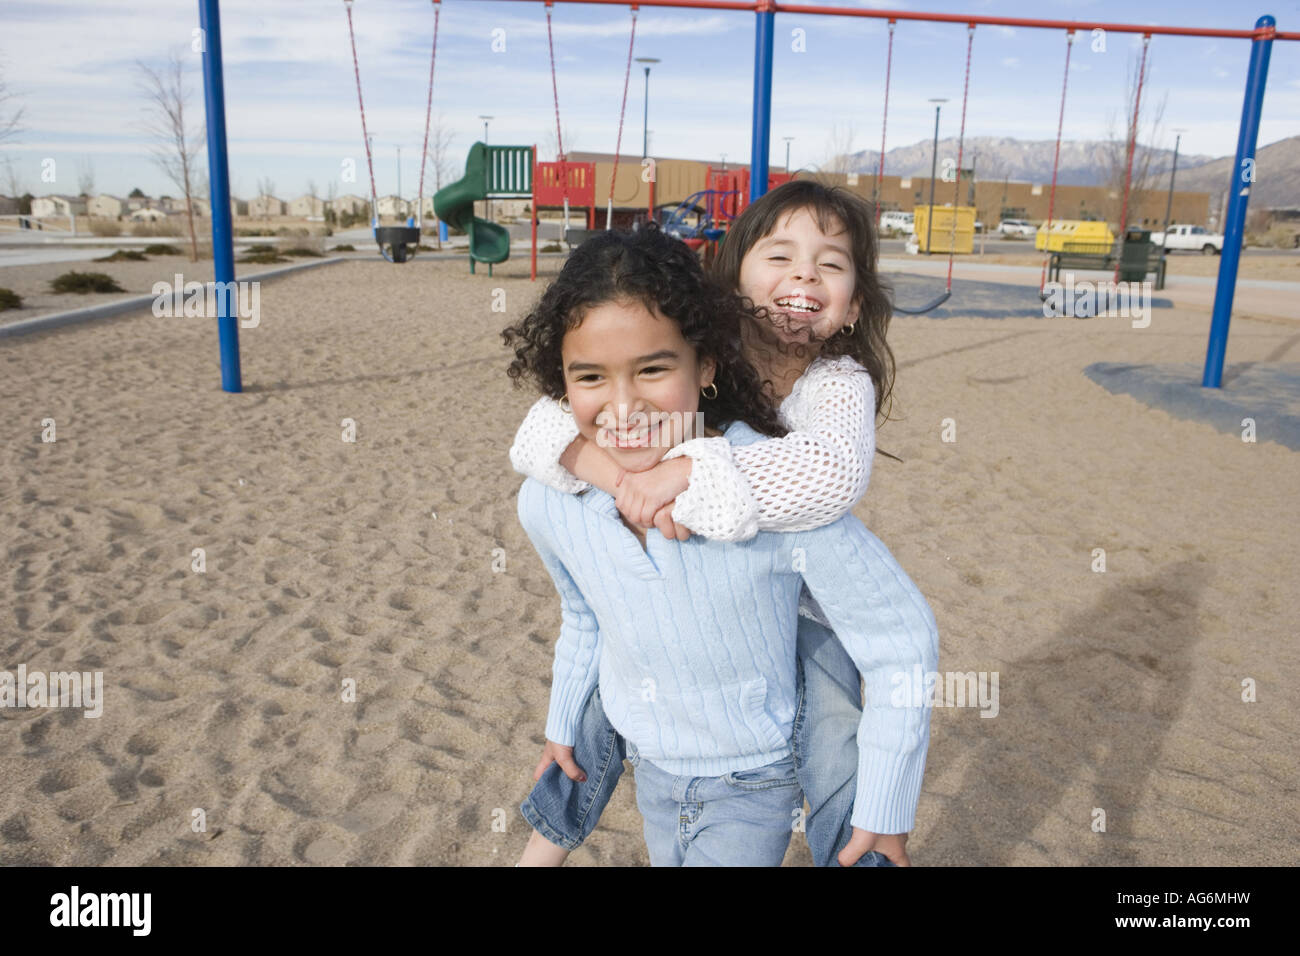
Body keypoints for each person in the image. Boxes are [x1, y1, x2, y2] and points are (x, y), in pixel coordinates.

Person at [504, 223, 937, 866]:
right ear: (561, 384)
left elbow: (900, 642)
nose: (622, 407)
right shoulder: (549, 501)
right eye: (590, 376)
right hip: (650, 768)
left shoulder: (770, 492)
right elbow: (587, 616)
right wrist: (564, 725)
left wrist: (885, 804)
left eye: (653, 369)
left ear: (704, 364)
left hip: (752, 780)